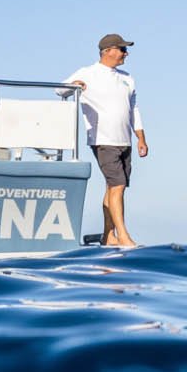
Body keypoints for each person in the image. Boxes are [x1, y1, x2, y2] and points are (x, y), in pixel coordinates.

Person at [65, 33, 147, 248]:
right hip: (102, 138)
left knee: (113, 188)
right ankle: (123, 236)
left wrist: (141, 138)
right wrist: (75, 85)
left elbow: (134, 110)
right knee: (117, 186)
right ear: (107, 51)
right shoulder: (88, 73)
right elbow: (60, 89)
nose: (125, 53)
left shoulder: (127, 78)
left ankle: (108, 236)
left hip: (125, 140)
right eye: (121, 49)